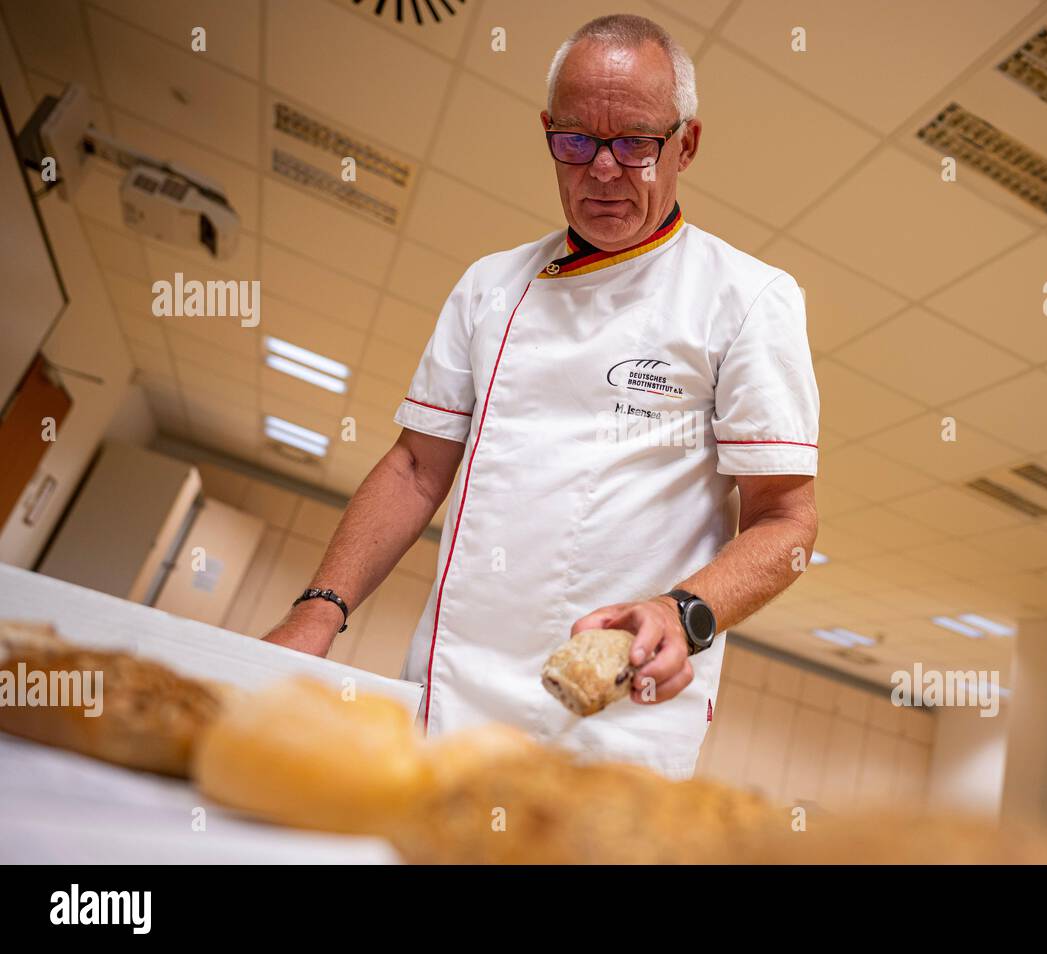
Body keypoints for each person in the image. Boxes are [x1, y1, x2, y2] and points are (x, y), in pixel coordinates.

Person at [265, 13, 820, 780]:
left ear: (685, 144)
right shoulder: (489, 286)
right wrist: (319, 608)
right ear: (547, 133)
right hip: (446, 689)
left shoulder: (748, 298)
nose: (601, 170)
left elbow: (788, 523)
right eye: (575, 141)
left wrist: (684, 612)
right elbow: (416, 469)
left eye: (634, 143)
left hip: (615, 718)